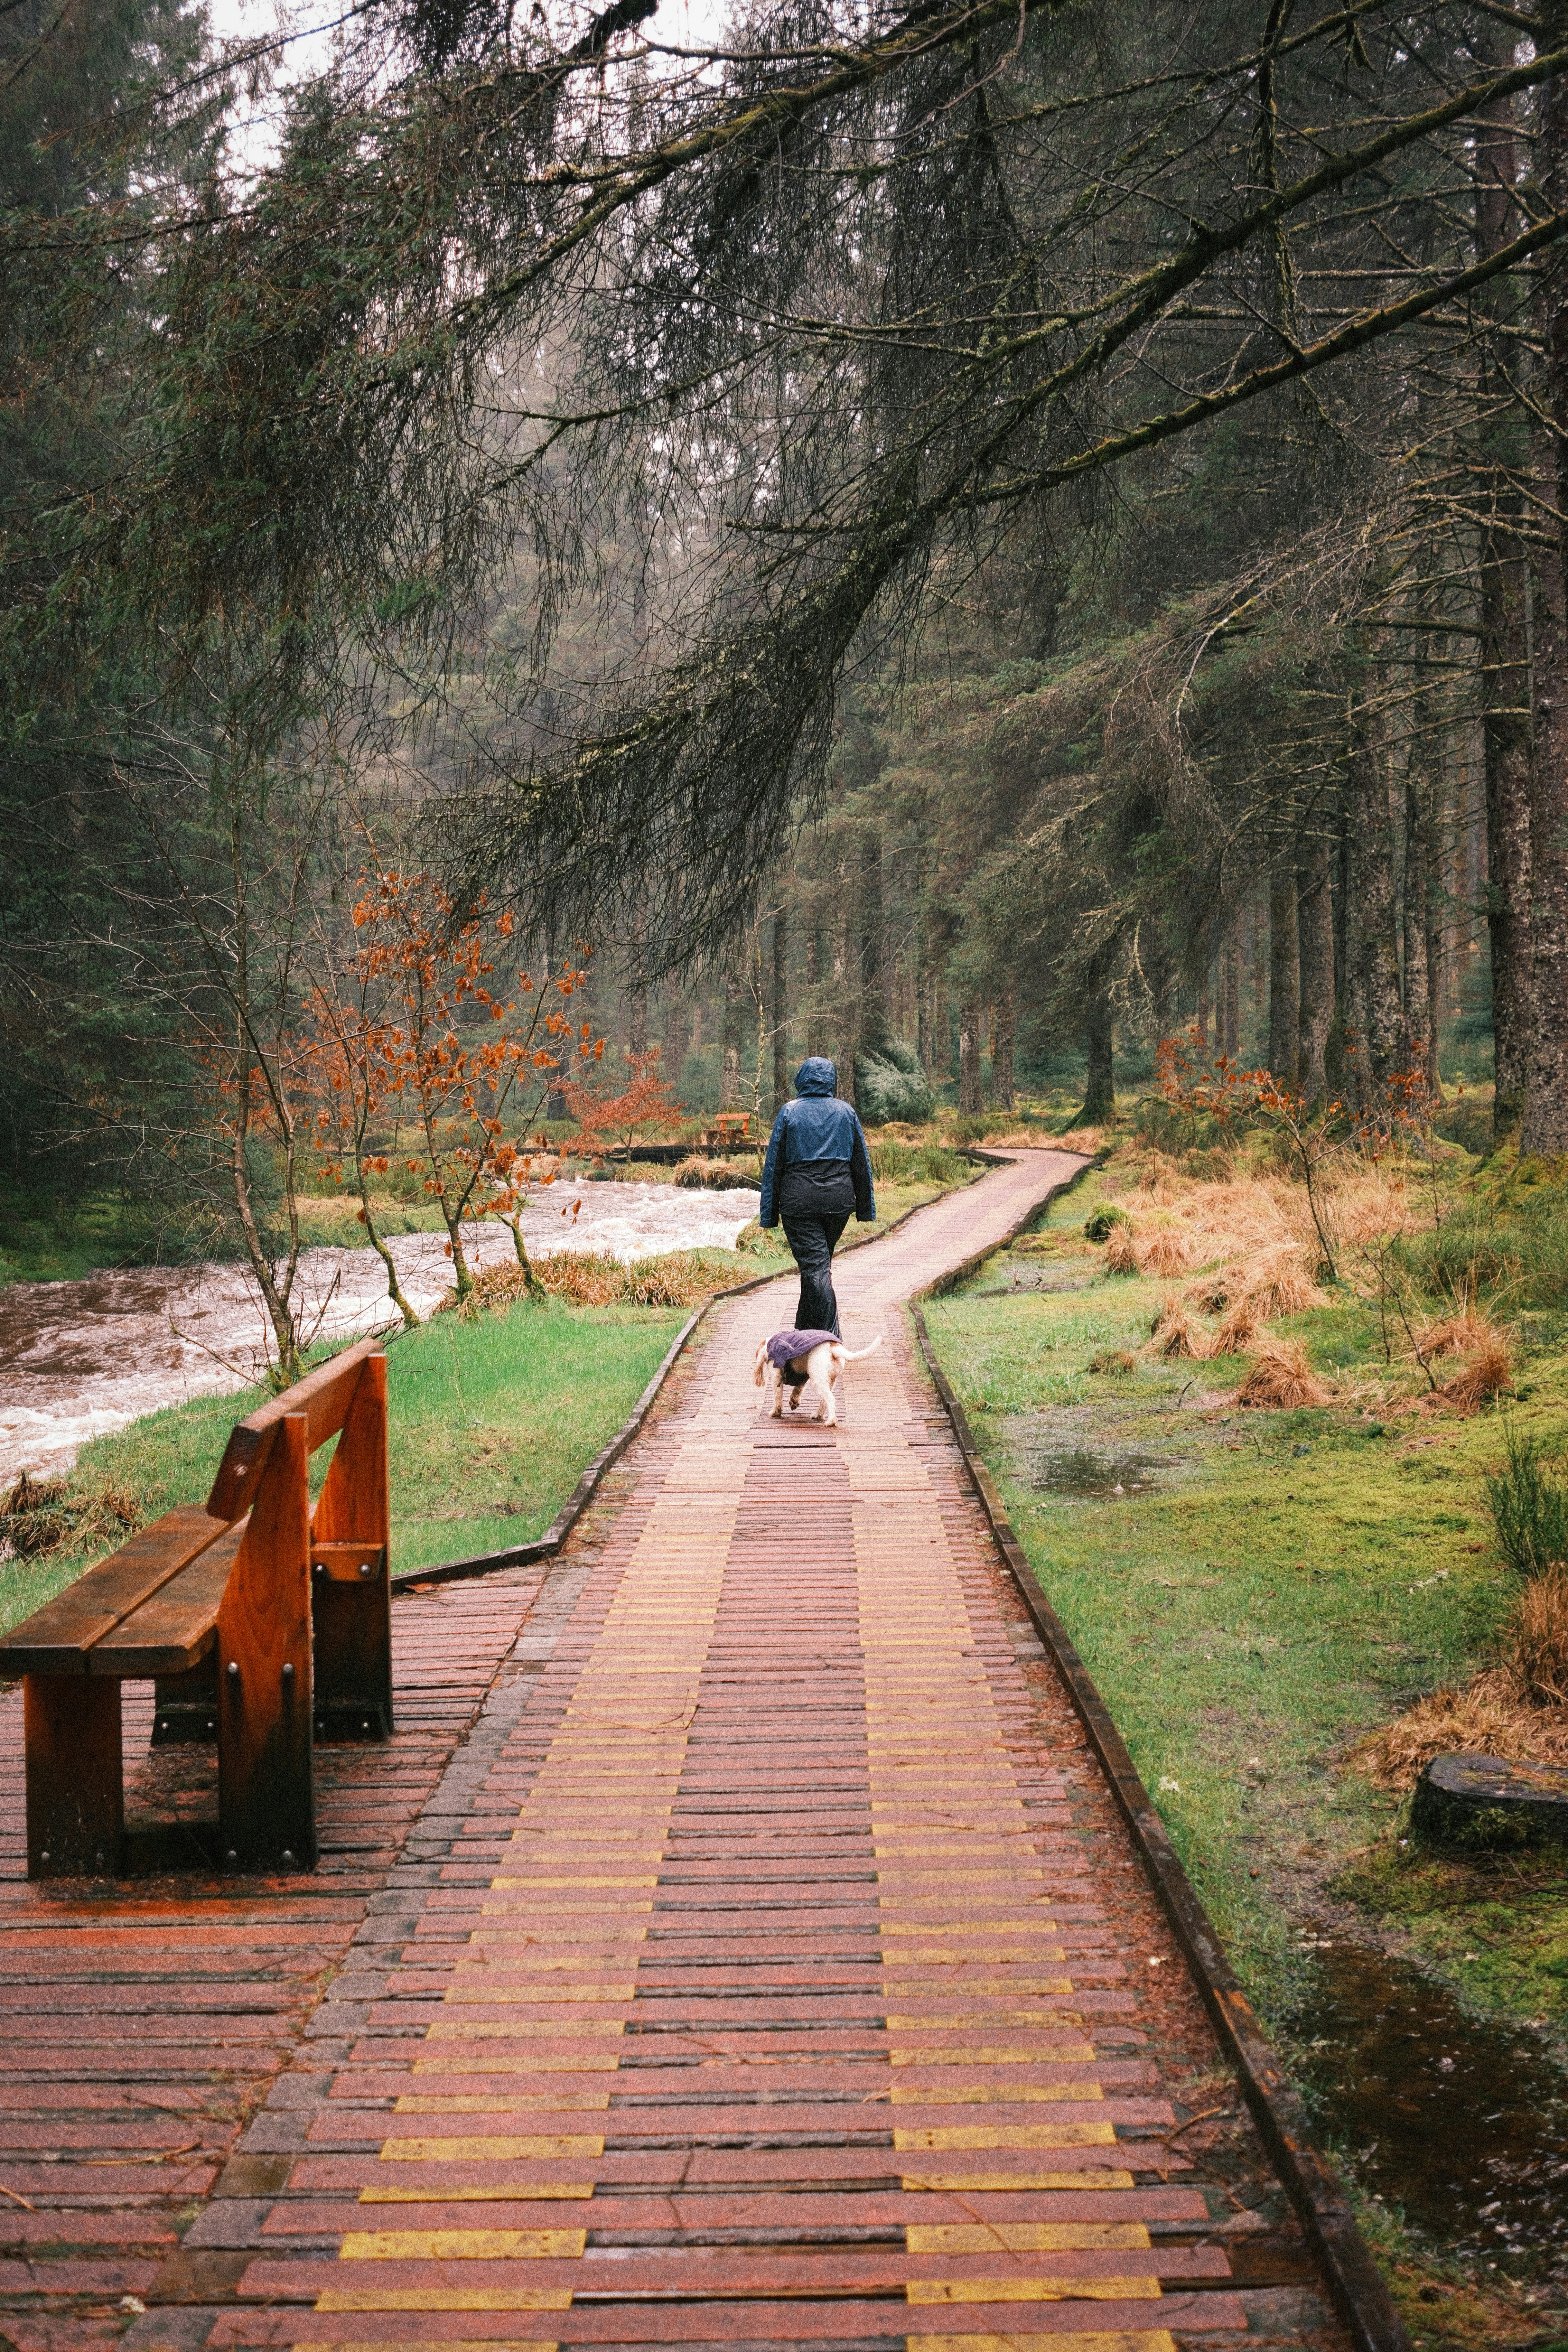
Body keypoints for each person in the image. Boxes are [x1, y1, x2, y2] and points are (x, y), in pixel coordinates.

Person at [758, 1057, 876, 1338]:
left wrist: (769, 1214)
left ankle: (830, 1340)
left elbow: (774, 1166)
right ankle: (804, 1330)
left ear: (802, 1079)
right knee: (817, 1266)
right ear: (831, 1080)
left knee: (815, 1269)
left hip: (800, 1203)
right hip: (839, 1202)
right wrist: (864, 1209)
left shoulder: (789, 1112)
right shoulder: (847, 1112)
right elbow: (861, 1163)